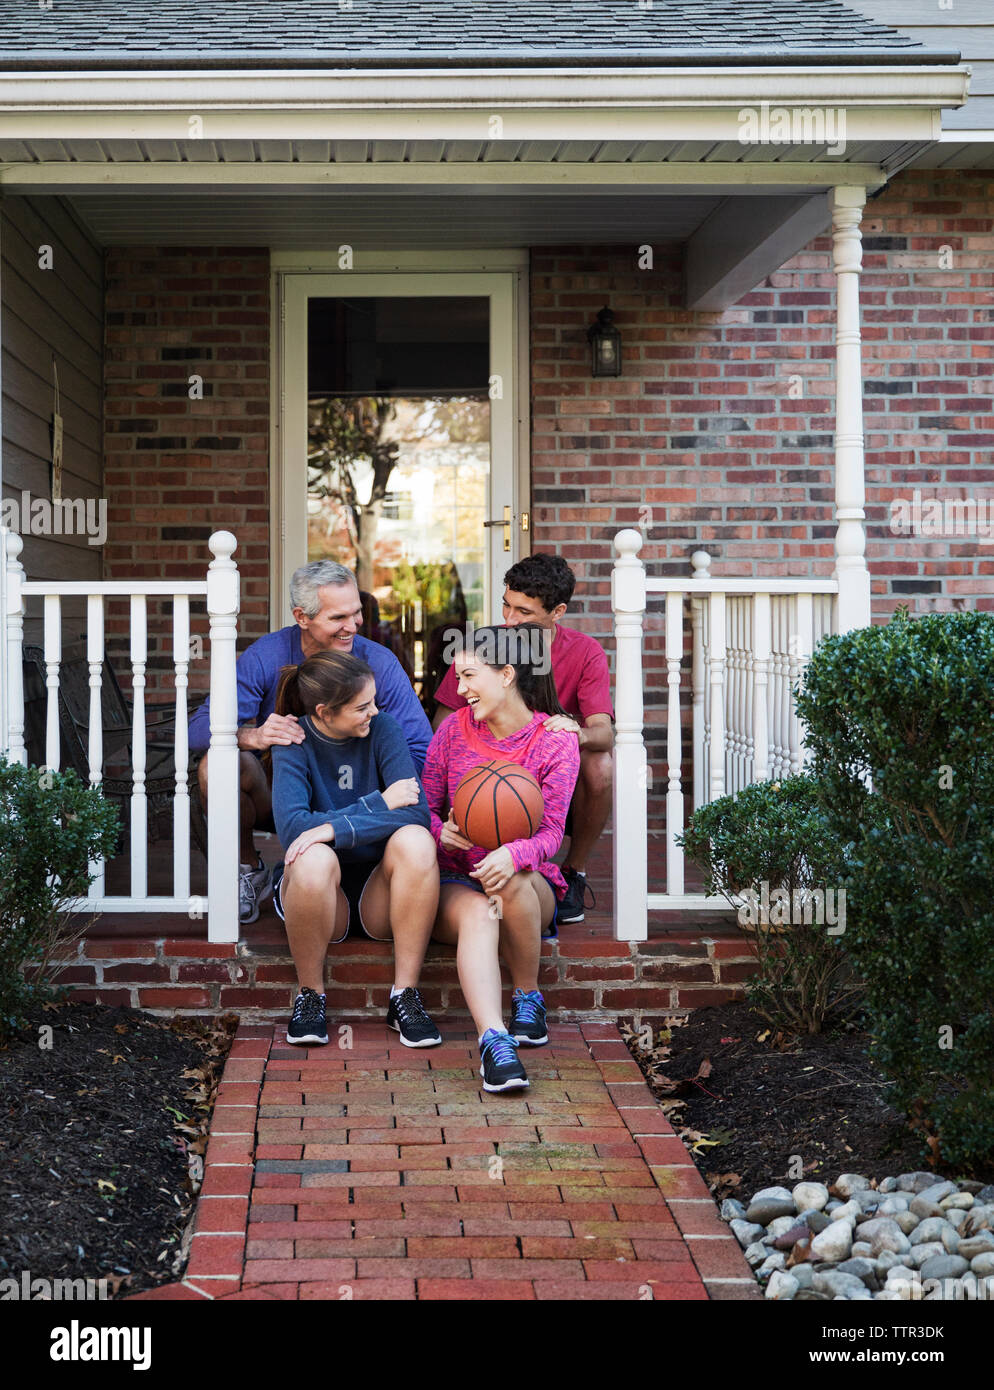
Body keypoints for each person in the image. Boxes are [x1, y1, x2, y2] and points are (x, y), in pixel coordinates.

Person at [188, 560, 432, 923]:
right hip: (287, 795)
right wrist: (252, 735)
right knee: (216, 765)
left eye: (356, 614)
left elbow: (420, 752)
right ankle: (248, 869)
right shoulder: (267, 655)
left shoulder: (378, 663)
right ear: (302, 617)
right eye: (338, 618)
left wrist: (374, 793)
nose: (352, 627)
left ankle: (375, 874)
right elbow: (197, 729)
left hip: (359, 795)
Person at [422, 623, 580, 1092]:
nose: (460, 688)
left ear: (507, 674)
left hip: (529, 883)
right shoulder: (452, 731)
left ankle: (528, 997)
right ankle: (494, 1041)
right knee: (482, 908)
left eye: (469, 676)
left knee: (509, 880)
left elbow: (552, 832)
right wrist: (439, 832)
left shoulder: (555, 740)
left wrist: (514, 853)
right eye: (458, 676)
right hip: (457, 880)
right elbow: (425, 808)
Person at [269, 649, 442, 1049]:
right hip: (319, 896)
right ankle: (310, 997)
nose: (373, 712)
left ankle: (405, 997)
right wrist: (379, 804)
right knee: (312, 856)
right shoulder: (293, 740)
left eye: (374, 701)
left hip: (379, 892)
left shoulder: (384, 729)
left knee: (416, 842)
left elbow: (416, 814)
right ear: (325, 712)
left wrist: (329, 825)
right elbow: (294, 829)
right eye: (362, 706)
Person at [432, 554, 613, 923]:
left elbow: (605, 733)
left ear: (557, 611)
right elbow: (445, 724)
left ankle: (572, 872)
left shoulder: (584, 652)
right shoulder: (485, 649)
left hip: (548, 762)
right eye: (506, 605)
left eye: (524, 612)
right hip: (484, 768)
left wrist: (574, 732)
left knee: (601, 764)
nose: (511, 619)